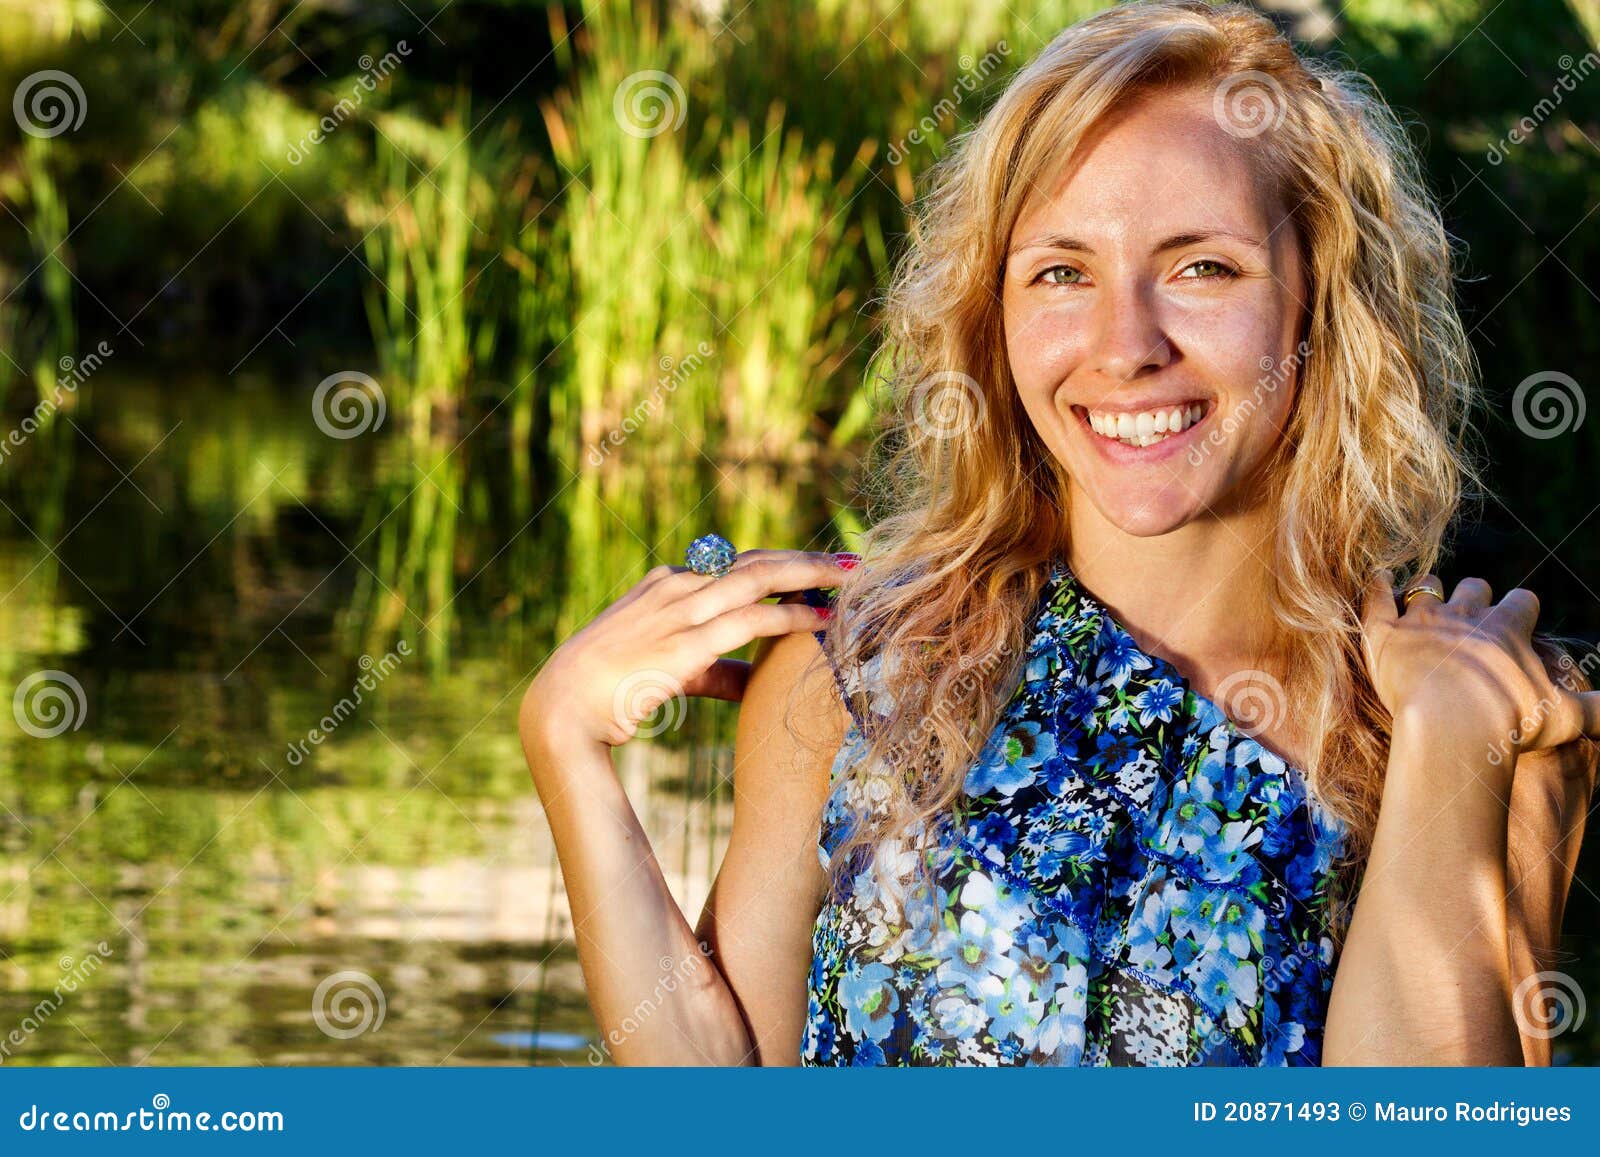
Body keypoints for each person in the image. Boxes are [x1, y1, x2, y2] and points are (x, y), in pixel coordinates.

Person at [518, 0, 1600, 1066]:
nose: (1123, 346)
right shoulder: (852, 678)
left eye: (1201, 267)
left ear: (1325, 306)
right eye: (1061, 272)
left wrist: (1451, 744)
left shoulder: (1474, 717)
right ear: (994, 317)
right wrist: (563, 737)